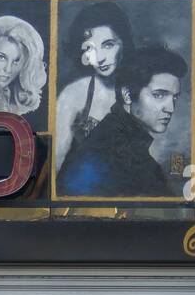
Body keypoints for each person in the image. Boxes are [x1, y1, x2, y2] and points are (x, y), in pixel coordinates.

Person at [56, 44, 187, 198]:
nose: (170, 108)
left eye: (175, 97)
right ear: (127, 94)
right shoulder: (108, 150)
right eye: (159, 95)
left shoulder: (124, 142)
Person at [54, 2, 134, 174]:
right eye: (91, 48)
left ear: (124, 43)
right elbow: (56, 160)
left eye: (108, 45)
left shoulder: (139, 91)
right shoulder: (73, 94)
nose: (100, 58)